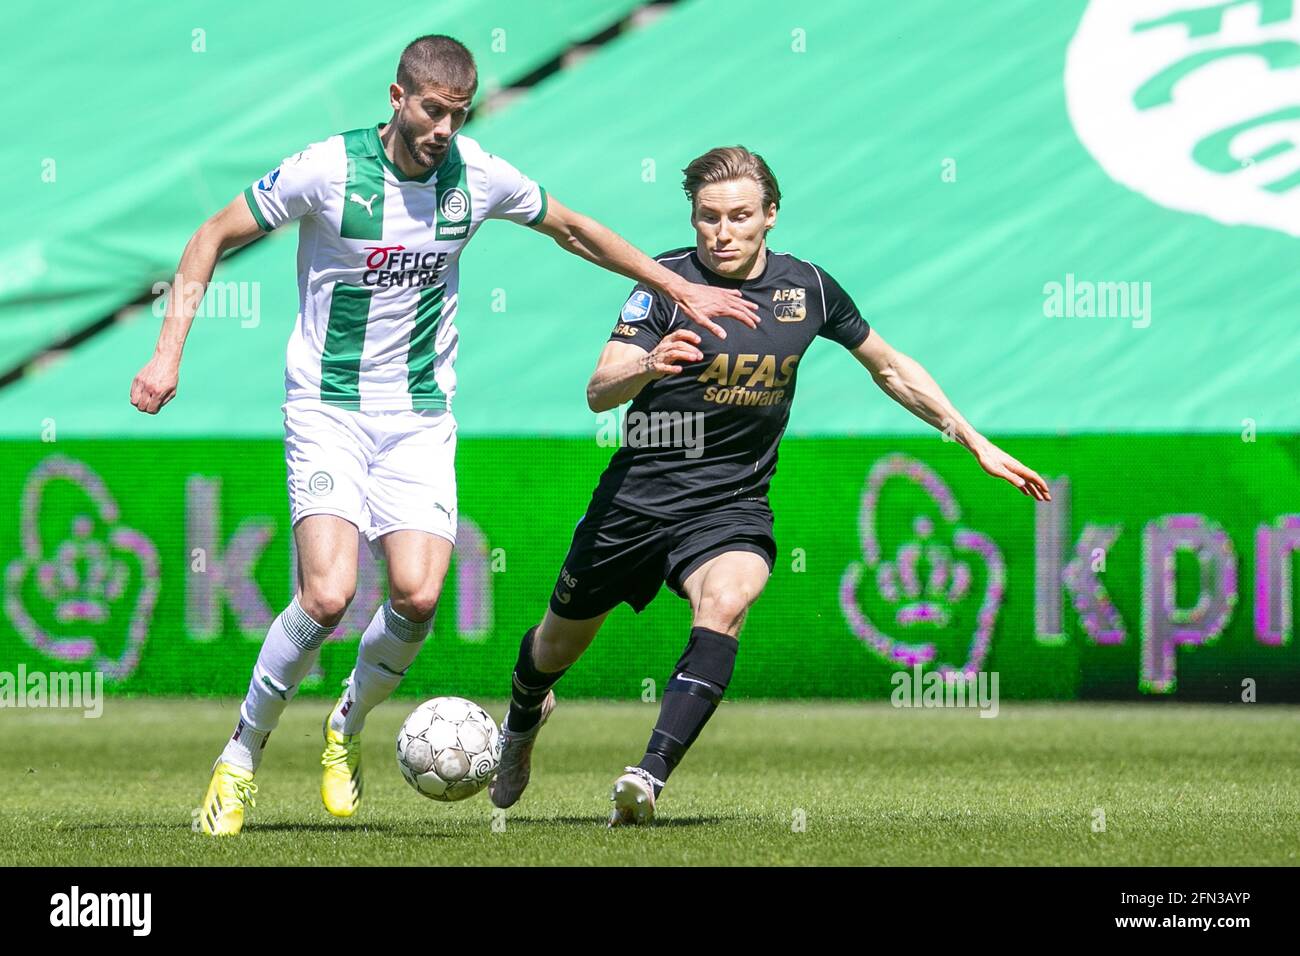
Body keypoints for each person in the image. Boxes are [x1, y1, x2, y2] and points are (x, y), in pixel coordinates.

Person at [129, 36, 758, 836]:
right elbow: (211, 234)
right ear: (397, 97)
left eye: (458, 116)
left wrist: (675, 286)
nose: (443, 130)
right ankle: (241, 756)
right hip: (328, 409)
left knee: (419, 596)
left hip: (420, 418)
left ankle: (346, 726)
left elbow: (572, 227)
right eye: (432, 111)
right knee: (326, 596)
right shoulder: (327, 168)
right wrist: (167, 352)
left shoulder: (476, 175)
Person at [487, 145, 1051, 825]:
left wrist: (971, 437)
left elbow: (891, 368)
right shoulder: (665, 282)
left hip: (731, 505)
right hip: (638, 499)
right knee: (554, 646)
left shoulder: (809, 289)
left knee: (726, 602)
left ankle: (647, 776)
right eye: (708, 218)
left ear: (771, 216)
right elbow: (598, 392)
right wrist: (648, 364)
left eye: (740, 216)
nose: (722, 233)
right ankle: (523, 720)